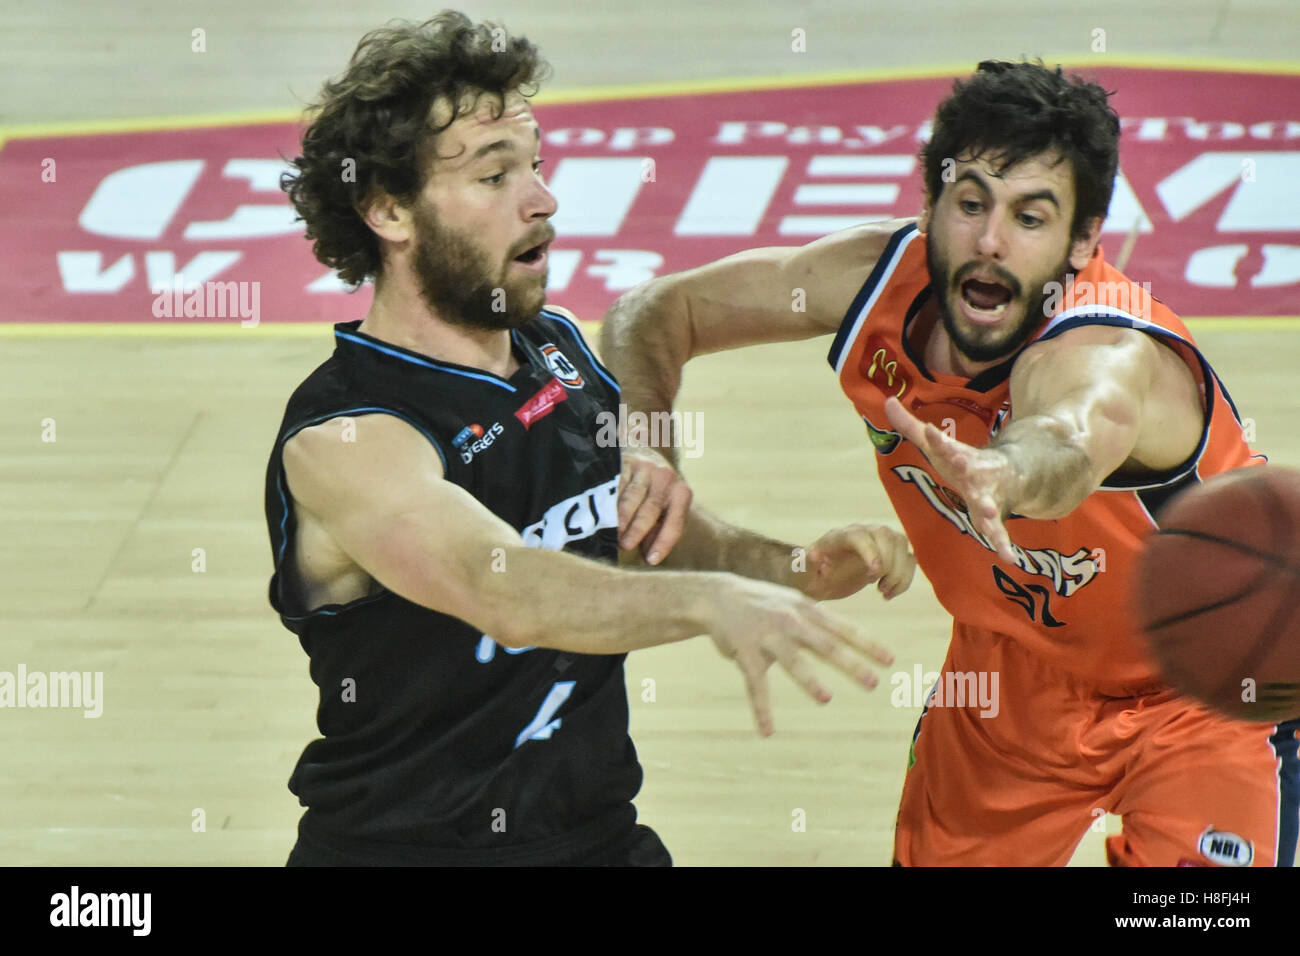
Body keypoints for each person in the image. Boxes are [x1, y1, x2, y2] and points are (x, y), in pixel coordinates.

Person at [600, 59, 1300, 867]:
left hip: (1209, 686)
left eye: (1031, 219)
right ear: (930, 203)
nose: (991, 241)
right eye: (970, 204)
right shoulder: (871, 282)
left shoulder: (1107, 353)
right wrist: (644, 443)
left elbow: (1070, 435)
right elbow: (653, 311)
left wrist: (1005, 473)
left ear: (1083, 243)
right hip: (1010, 678)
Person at [266, 12, 913, 867]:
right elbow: (504, 589)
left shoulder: (558, 352)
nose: (542, 199)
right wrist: (709, 605)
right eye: (495, 177)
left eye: (534, 166)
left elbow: (630, 532)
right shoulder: (346, 436)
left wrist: (791, 569)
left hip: (592, 836)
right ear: (388, 208)